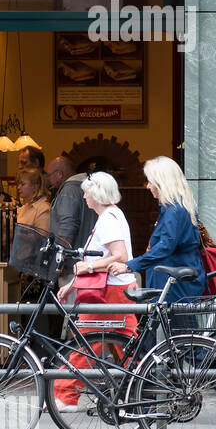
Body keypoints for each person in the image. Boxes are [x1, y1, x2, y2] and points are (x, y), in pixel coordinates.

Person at [53, 172, 137, 411]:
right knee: (125, 344)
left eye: (87, 191)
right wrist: (72, 283)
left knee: (87, 342)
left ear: (97, 194)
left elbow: (119, 255)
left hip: (111, 291)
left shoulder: (108, 219)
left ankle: (66, 395)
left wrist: (88, 266)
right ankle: (143, 387)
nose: (84, 196)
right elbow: (103, 256)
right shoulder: (113, 215)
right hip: (116, 289)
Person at [110, 156, 205, 307]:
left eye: (150, 181)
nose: (148, 186)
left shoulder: (174, 211)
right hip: (175, 282)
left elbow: (165, 247)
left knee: (176, 328)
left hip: (174, 287)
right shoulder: (176, 208)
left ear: (162, 182)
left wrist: (130, 266)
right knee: (178, 328)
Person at [47, 155, 96, 252]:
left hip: (72, 261)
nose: (48, 179)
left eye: (49, 175)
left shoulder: (68, 191)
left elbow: (67, 230)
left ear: (59, 174)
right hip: (85, 256)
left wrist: (60, 258)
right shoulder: (84, 188)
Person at [15, 169, 51, 234]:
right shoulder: (25, 207)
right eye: (18, 184)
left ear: (35, 187)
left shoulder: (44, 208)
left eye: (22, 184)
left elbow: (41, 239)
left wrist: (15, 233)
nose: (18, 187)